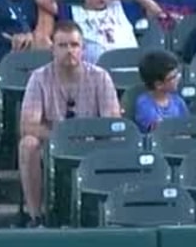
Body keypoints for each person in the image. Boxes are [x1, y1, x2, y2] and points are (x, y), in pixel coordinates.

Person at [18, 20, 123, 225]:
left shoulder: (101, 77)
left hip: (93, 144)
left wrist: (84, 139)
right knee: (27, 144)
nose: (69, 51)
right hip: (52, 143)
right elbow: (27, 125)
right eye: (63, 45)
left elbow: (112, 124)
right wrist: (63, 138)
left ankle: (111, 215)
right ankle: (36, 217)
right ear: (53, 49)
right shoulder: (39, 78)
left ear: (82, 49)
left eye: (74, 45)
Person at [37, 0, 163, 65]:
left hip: (128, 70)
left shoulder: (122, 8)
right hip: (93, 75)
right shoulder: (73, 12)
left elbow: (157, 12)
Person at [132, 49, 189, 133]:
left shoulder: (178, 102)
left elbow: (186, 127)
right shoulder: (144, 103)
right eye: (173, 77)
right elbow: (158, 129)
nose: (178, 77)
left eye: (178, 74)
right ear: (159, 85)